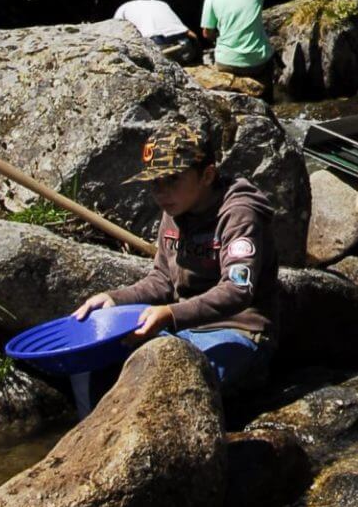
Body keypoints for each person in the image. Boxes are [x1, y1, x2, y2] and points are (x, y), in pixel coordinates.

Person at [72, 123, 277, 413]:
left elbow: (237, 289)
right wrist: (115, 299)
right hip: (183, 330)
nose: (161, 192)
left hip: (238, 332)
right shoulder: (176, 209)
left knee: (167, 385)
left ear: (207, 175)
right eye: (154, 182)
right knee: (96, 361)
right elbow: (162, 279)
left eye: (172, 180)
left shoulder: (239, 214)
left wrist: (169, 314)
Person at [201, 0, 308, 100]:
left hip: (226, 62)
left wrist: (218, 37)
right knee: (269, 62)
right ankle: (267, 102)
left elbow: (207, 33)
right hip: (256, 63)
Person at [113, 0, 201, 66]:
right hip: (185, 42)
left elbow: (116, 33)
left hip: (157, 44)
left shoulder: (123, 8)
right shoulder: (161, 3)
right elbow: (190, 33)